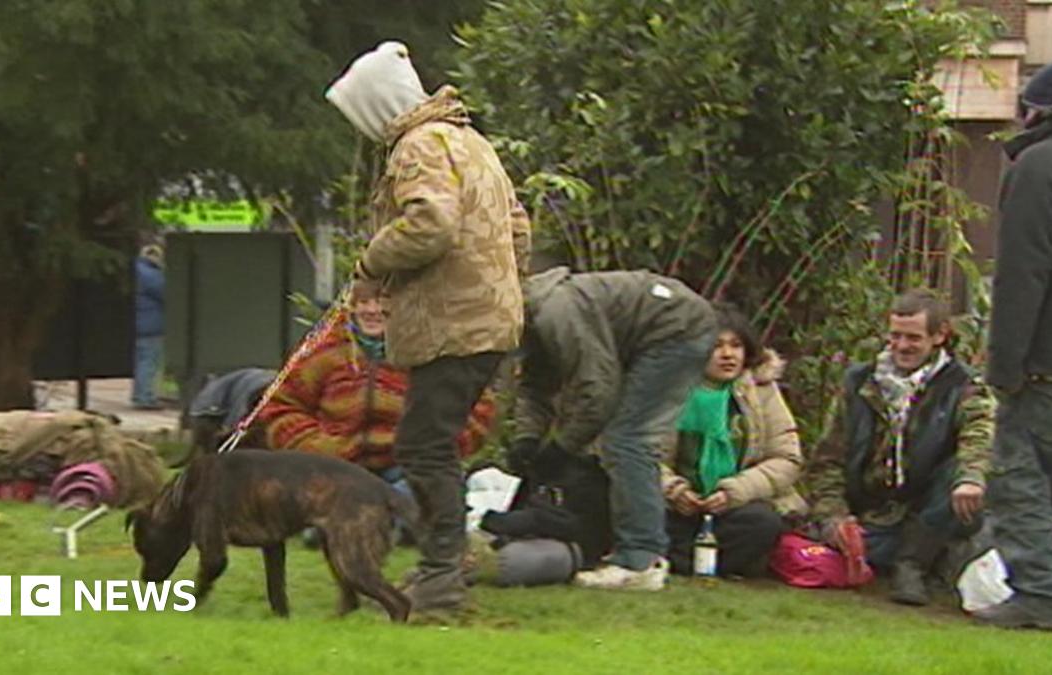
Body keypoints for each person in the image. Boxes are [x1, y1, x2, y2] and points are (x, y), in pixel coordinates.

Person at [325, 41, 530, 614]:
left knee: (423, 448)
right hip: (487, 316)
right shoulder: (470, 141)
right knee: (433, 444)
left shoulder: (418, 145)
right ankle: (444, 564)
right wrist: (501, 288)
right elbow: (518, 225)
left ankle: (442, 576)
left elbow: (430, 224)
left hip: (451, 322)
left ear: (375, 107)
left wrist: (371, 265)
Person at [977, 60, 1052, 634]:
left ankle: (1042, 595)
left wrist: (1005, 366)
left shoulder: (1040, 166)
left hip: (1051, 366)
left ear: (1035, 110)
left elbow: (1023, 276)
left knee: (1017, 481)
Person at [512, 267, 716, 591]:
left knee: (628, 441)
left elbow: (598, 393)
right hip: (670, 326)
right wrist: (527, 439)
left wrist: (561, 448)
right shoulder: (534, 318)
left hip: (677, 329)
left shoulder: (558, 313)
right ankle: (633, 550)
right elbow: (536, 384)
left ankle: (640, 560)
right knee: (623, 441)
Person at [804, 289, 995, 606]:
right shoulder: (858, 381)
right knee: (849, 546)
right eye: (895, 336)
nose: (902, 346)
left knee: (960, 478)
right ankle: (908, 555)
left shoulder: (964, 386)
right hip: (872, 510)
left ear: (939, 336)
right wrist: (834, 516)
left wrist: (971, 479)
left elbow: (979, 438)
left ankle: (912, 564)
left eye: (913, 338)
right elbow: (828, 459)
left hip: (930, 507)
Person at [256, 283, 495, 490]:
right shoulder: (322, 350)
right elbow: (280, 406)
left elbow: (478, 407)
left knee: (420, 496)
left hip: (408, 470)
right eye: (363, 302)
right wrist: (315, 446)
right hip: (333, 470)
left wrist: (433, 447)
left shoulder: (434, 352)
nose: (372, 310)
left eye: (383, 301)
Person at [661, 306, 806, 578]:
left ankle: (683, 561)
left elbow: (786, 459)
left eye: (736, 346)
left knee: (763, 523)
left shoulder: (762, 390)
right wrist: (674, 490)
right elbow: (642, 454)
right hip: (678, 506)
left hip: (736, 506)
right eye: (716, 346)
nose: (727, 355)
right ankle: (696, 560)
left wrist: (734, 492)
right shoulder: (667, 389)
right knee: (635, 508)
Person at [132, 244, 165, 410]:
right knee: (149, 362)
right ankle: (146, 397)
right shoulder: (151, 274)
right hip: (151, 324)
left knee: (142, 361)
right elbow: (166, 292)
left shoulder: (137, 270)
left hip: (140, 322)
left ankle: (139, 395)